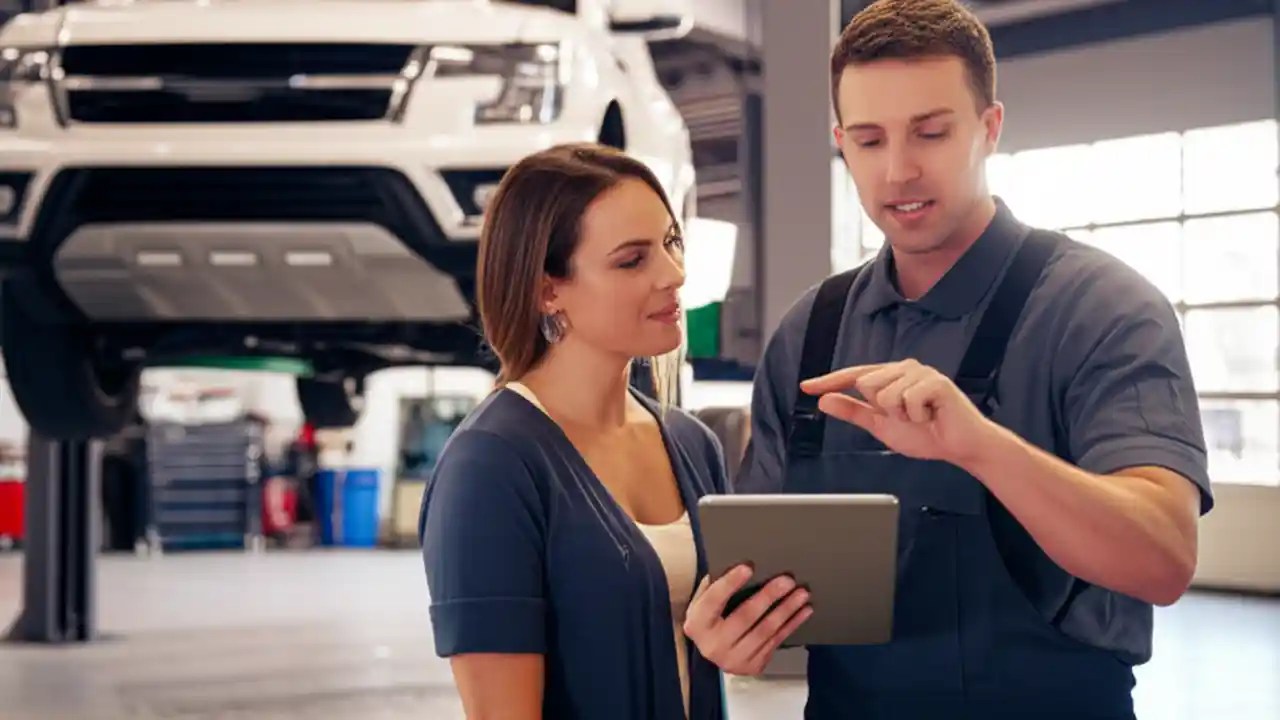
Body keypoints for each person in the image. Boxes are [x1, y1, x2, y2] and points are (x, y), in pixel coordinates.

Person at [681, 1, 1214, 718]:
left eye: (930, 133)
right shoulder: (810, 333)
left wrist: (981, 448)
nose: (898, 171)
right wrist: (733, 627)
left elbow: (1163, 559)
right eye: (869, 141)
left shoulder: (1102, 308)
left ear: (989, 129)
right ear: (840, 143)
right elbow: (759, 571)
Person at [418, 143, 730, 719]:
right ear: (548, 289)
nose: (675, 274)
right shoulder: (491, 465)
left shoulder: (692, 444)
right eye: (632, 260)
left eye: (670, 243)